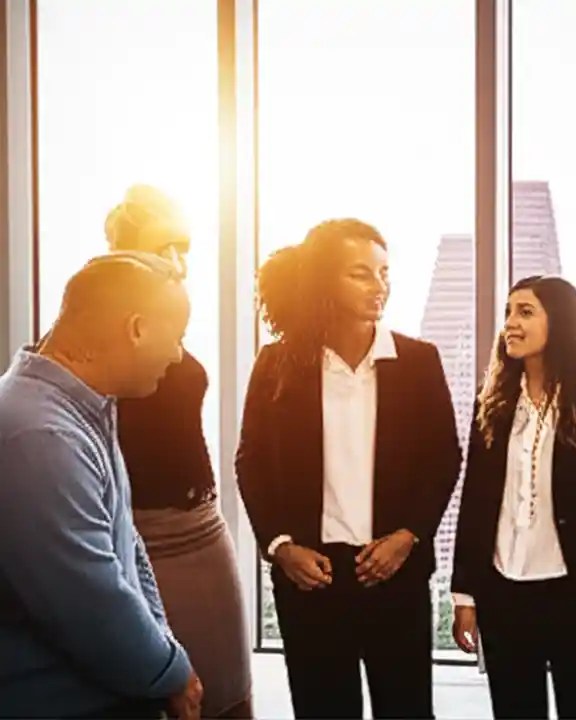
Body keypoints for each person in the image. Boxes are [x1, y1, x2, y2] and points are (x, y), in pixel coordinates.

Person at [235, 218, 461, 719]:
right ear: (323, 279)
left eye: (383, 272)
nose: (378, 285)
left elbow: (444, 457)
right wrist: (280, 546)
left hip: (394, 571)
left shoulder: (418, 361)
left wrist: (409, 534)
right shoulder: (277, 364)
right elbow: (251, 462)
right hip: (310, 577)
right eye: (359, 273)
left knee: (406, 712)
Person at [0, 253, 203, 719]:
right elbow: (90, 603)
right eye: (177, 337)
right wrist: (171, 672)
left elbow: (127, 546)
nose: (177, 355)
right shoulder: (42, 436)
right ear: (137, 328)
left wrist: (165, 654)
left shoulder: (83, 409)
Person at [450, 275, 576, 719]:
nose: (511, 323)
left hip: (575, 592)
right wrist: (465, 594)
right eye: (508, 312)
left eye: (526, 311)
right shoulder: (491, 404)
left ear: (561, 321)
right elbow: (474, 502)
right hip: (502, 591)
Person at [104, 184, 253, 718]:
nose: (177, 261)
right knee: (163, 692)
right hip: (141, 535)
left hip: (203, 531)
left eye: (182, 248)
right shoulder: (105, 325)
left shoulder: (168, 314)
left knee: (229, 690)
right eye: (162, 247)